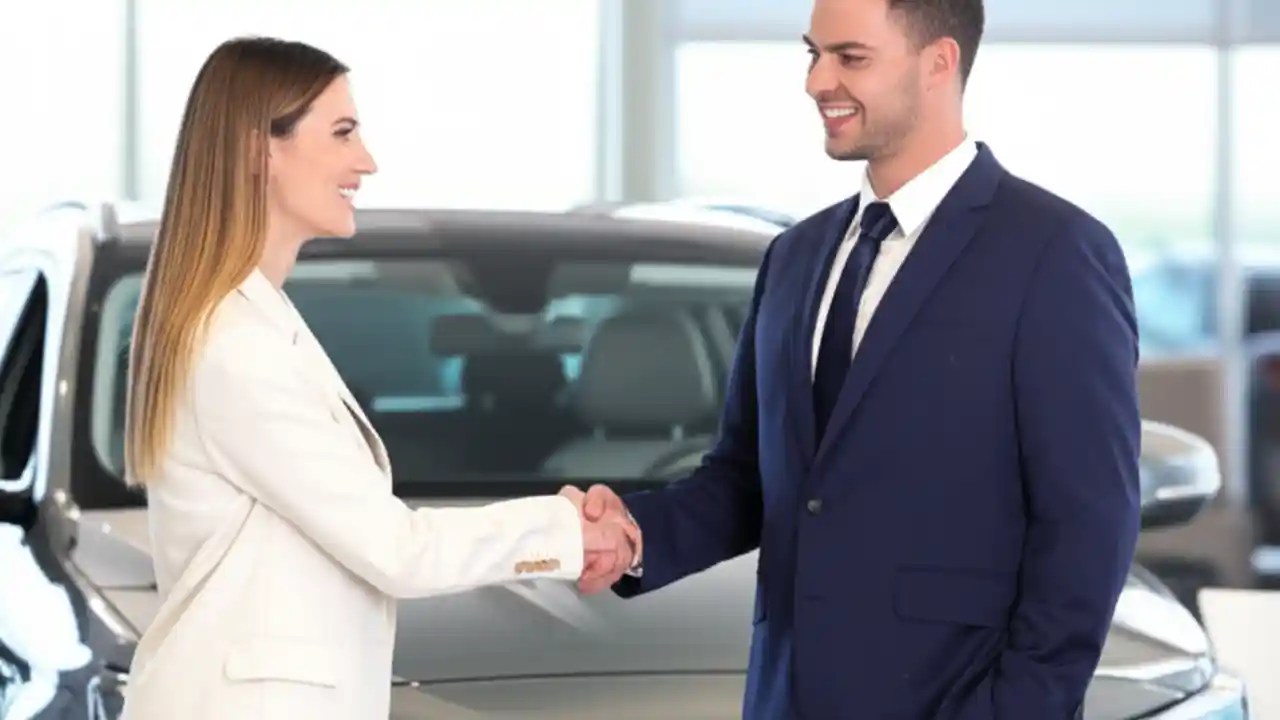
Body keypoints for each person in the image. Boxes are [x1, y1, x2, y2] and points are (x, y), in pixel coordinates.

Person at [565, 0, 1142, 717]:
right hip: (787, 697)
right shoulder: (795, 256)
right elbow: (749, 480)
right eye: (813, 54)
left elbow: (1088, 528)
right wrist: (633, 533)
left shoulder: (1054, 255)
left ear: (939, 62)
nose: (816, 81)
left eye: (849, 57)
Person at [117, 37, 636, 720]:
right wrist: (567, 531)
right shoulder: (234, 345)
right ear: (257, 150)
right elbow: (396, 551)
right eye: (342, 133)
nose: (366, 161)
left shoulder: (252, 322)